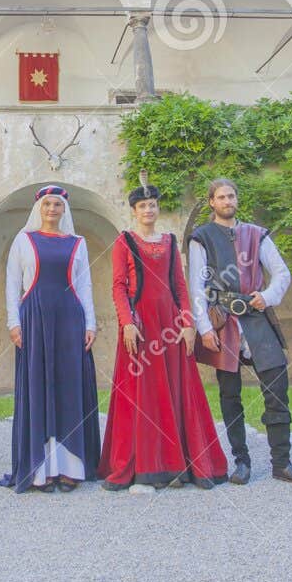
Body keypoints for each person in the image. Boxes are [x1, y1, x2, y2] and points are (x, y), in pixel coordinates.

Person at [101, 178, 228, 490]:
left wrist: (187, 323)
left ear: (157, 209)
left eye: (152, 205)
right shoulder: (123, 242)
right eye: (143, 206)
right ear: (134, 211)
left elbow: (181, 287)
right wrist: (127, 321)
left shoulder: (170, 242)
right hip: (140, 325)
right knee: (142, 393)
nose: (148, 210)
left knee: (177, 389)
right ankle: (145, 465)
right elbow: (118, 286)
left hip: (170, 325)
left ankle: (182, 464)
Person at [189, 178, 292, 487]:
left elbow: (281, 272)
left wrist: (268, 296)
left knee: (277, 390)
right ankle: (241, 461)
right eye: (221, 197)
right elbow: (195, 286)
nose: (227, 201)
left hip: (257, 317)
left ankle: (282, 463)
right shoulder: (201, 237)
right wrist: (204, 327)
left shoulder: (257, 234)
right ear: (212, 203)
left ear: (236, 199)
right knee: (230, 395)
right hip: (222, 320)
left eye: (231, 195)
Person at [2, 185, 102, 492]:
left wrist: (90, 323)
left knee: (69, 388)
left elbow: (84, 285)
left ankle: (70, 469)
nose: (52, 209)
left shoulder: (78, 243)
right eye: (47, 204)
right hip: (34, 318)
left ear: (64, 210)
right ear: (38, 208)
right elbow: (13, 283)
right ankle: (40, 470)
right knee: (38, 388)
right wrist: (13, 322)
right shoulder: (24, 240)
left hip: (70, 319)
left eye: (57, 204)